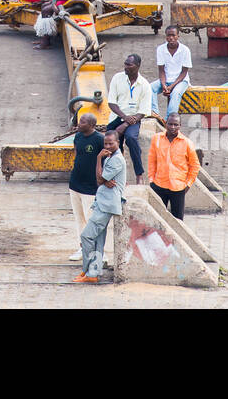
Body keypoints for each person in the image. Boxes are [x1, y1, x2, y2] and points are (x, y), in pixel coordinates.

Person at [76, 128, 125, 283]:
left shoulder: (116, 159)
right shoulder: (111, 157)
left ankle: (86, 270)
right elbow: (102, 179)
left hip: (106, 205)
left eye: (111, 143)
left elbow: (98, 179)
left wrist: (98, 159)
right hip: (104, 202)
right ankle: (93, 274)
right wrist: (104, 179)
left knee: (86, 236)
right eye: (105, 143)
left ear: (118, 142)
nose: (108, 146)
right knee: (98, 240)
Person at [107, 54, 152, 185]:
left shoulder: (144, 85)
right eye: (125, 64)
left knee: (131, 138)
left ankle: (139, 174)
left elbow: (143, 111)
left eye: (129, 64)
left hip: (134, 119)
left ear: (137, 66)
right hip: (118, 116)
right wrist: (123, 117)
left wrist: (126, 123)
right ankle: (117, 175)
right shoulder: (117, 78)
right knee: (112, 141)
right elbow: (111, 103)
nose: (125, 67)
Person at [146, 113, 201, 220]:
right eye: (170, 124)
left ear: (180, 126)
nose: (172, 127)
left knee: (178, 220)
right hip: (159, 185)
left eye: (176, 125)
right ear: (165, 124)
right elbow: (152, 160)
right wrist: (151, 179)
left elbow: (195, 166)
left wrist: (188, 184)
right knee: (157, 219)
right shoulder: (156, 139)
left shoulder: (187, 143)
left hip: (178, 188)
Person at [66, 112, 105, 262]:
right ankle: (82, 247)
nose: (78, 124)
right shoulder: (78, 136)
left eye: (82, 122)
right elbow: (77, 155)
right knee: (79, 219)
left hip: (90, 188)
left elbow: (107, 160)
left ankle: (94, 250)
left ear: (91, 125)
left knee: (91, 220)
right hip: (75, 185)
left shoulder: (99, 140)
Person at [153, 25, 192, 119]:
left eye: (173, 35)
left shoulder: (185, 50)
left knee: (175, 93)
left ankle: (169, 120)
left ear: (178, 36)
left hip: (181, 81)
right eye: (168, 35)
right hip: (166, 79)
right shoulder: (161, 49)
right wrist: (163, 85)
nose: (171, 38)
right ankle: (154, 115)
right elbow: (161, 71)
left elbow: (184, 72)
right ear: (165, 36)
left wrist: (171, 86)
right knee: (150, 88)